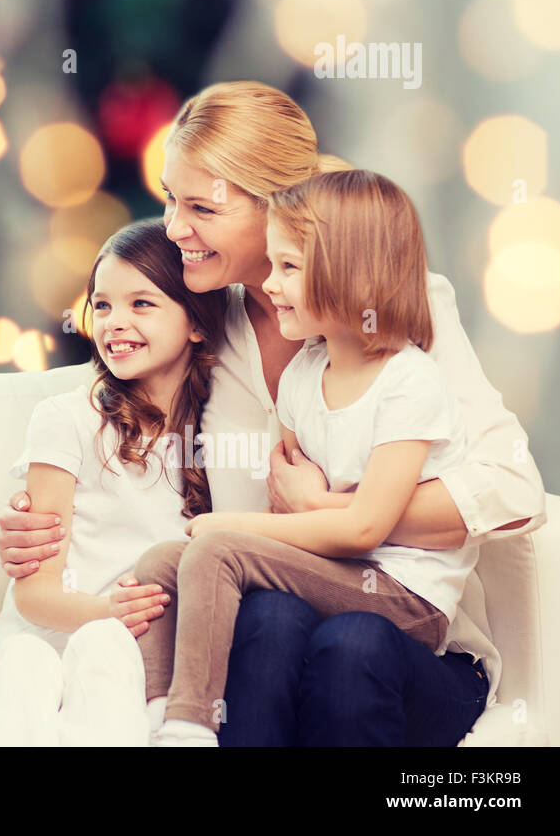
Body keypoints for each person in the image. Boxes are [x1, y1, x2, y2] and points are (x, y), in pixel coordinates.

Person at [0, 81, 545, 747]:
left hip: (402, 649)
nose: (174, 228)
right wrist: (38, 527)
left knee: (348, 644)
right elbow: (105, 414)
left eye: (202, 206)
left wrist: (335, 506)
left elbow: (513, 487)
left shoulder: (396, 310)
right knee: (270, 621)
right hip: (267, 640)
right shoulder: (200, 323)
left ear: (281, 204)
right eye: (171, 198)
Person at [137, 169, 478, 747]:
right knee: (162, 563)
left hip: (403, 594)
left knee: (214, 548)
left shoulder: (407, 382)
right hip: (335, 576)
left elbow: (364, 525)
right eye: (271, 265)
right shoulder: (303, 375)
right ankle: (151, 712)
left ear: (353, 270)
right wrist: (234, 534)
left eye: (288, 267)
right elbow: (287, 515)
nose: (269, 285)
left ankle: (188, 727)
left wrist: (224, 528)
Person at [0, 221, 226, 746]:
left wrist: (117, 626)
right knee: (25, 662)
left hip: (128, 653)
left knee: (107, 652)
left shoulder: (222, 428)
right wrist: (109, 612)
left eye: (142, 304)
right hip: (48, 636)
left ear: (196, 323)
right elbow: (35, 594)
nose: (115, 323)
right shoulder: (66, 418)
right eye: (101, 305)